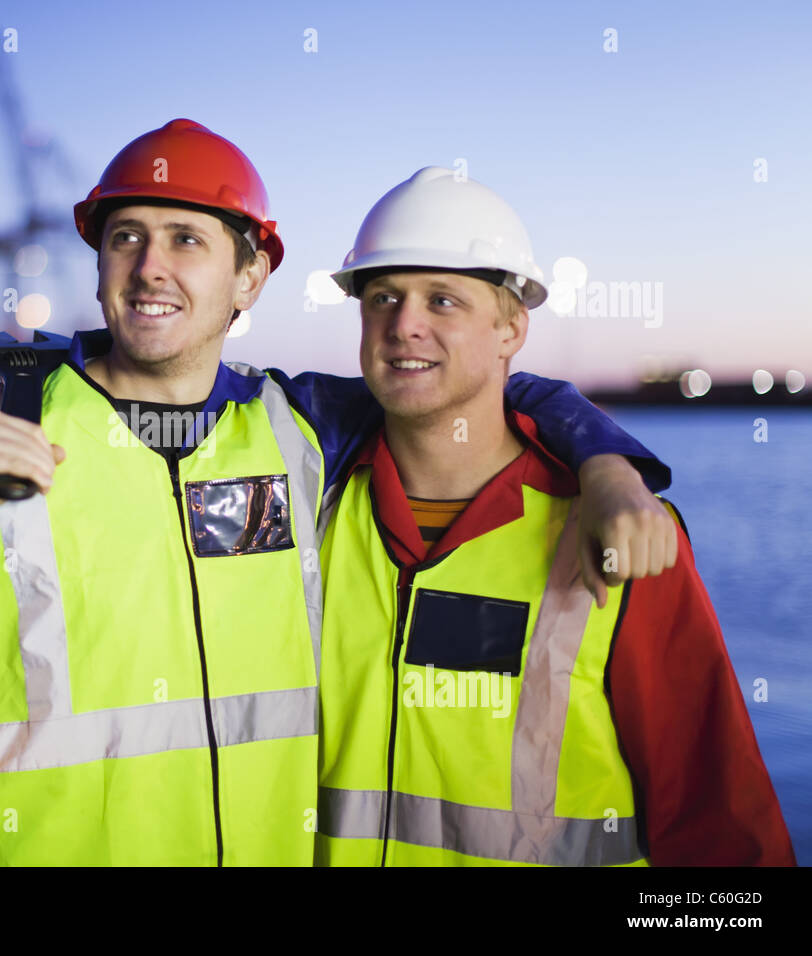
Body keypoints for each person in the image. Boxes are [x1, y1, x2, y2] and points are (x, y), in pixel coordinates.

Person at [0, 120, 676, 866]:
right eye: (126, 236)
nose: (151, 267)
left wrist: (606, 466)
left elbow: (464, 381)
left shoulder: (299, 428)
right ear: (98, 263)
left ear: (249, 278)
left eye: (187, 240)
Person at [315, 166, 796, 866]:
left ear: (512, 328)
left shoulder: (617, 535)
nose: (403, 325)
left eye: (443, 301)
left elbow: (718, 825)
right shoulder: (310, 511)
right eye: (382, 296)